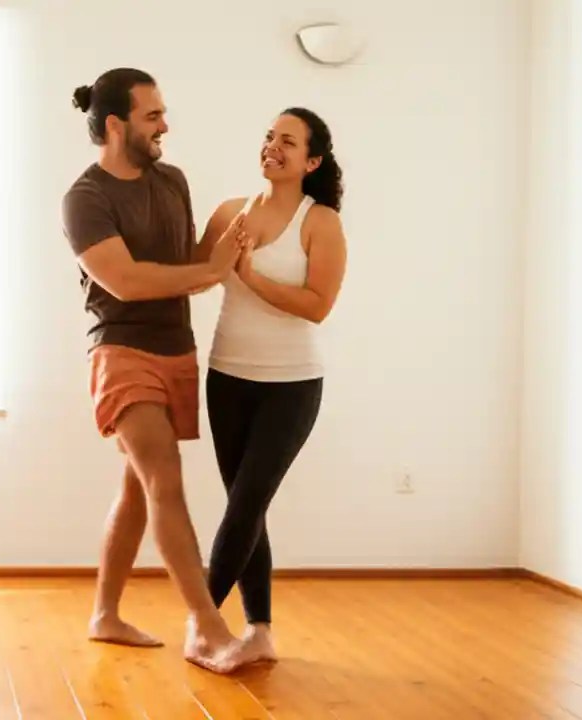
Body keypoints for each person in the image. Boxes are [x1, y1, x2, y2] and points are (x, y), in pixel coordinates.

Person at [60, 68, 252, 674]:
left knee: (138, 490)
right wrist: (211, 270)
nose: (165, 124)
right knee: (164, 481)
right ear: (116, 125)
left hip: (177, 349)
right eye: (152, 115)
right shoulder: (85, 198)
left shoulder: (172, 180)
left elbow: (187, 265)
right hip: (121, 350)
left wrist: (228, 230)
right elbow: (128, 280)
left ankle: (105, 616)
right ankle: (210, 627)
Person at [197, 108, 348, 664]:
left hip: (290, 386)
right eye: (268, 136)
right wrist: (222, 254)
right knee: (246, 507)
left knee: (244, 506)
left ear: (310, 161)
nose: (272, 146)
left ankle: (202, 621)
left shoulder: (320, 222)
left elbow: (317, 306)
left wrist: (252, 276)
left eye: (288, 141)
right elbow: (195, 277)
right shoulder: (229, 212)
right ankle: (258, 632)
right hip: (226, 378)